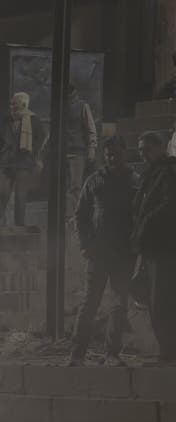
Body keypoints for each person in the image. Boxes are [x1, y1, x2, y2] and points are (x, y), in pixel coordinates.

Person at [69, 137, 137, 367]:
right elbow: (80, 216)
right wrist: (85, 244)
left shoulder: (134, 181)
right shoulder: (94, 180)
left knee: (120, 304)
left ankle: (112, 354)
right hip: (98, 254)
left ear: (124, 152)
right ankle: (77, 354)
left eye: (116, 152)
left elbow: (139, 215)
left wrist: (135, 246)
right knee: (90, 303)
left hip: (123, 253)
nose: (111, 157)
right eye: (108, 153)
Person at [131, 132, 176, 364]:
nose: (143, 154)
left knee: (162, 302)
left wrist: (147, 221)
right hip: (150, 248)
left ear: (160, 147)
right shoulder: (151, 174)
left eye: (147, 149)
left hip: (163, 248)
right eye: (140, 150)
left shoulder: (168, 171)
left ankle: (168, 353)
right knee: (154, 301)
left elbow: (170, 205)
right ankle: (166, 350)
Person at [0, 92, 47, 227]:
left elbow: (42, 141)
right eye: (10, 103)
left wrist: (34, 156)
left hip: (24, 164)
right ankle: (0, 221)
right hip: (6, 162)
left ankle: (19, 225)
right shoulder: (6, 120)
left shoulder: (34, 120)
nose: (11, 106)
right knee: (2, 193)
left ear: (24, 104)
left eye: (14, 103)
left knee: (21, 196)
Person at [64, 84, 99, 218]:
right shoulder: (60, 107)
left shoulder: (82, 106)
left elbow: (91, 129)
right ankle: (66, 216)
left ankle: (74, 217)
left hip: (77, 153)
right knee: (64, 187)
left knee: (75, 187)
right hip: (62, 153)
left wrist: (92, 147)